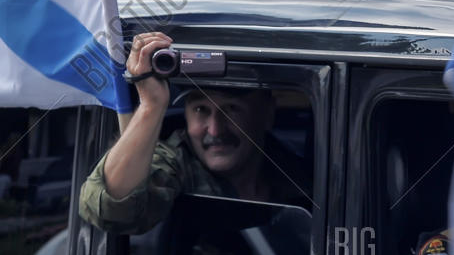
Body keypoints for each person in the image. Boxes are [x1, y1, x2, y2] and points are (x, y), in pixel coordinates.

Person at [78, 32, 310, 235]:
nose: (215, 129)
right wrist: (151, 105)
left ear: (266, 114)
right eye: (201, 110)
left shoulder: (292, 171)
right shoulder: (176, 162)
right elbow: (110, 210)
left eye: (231, 109)